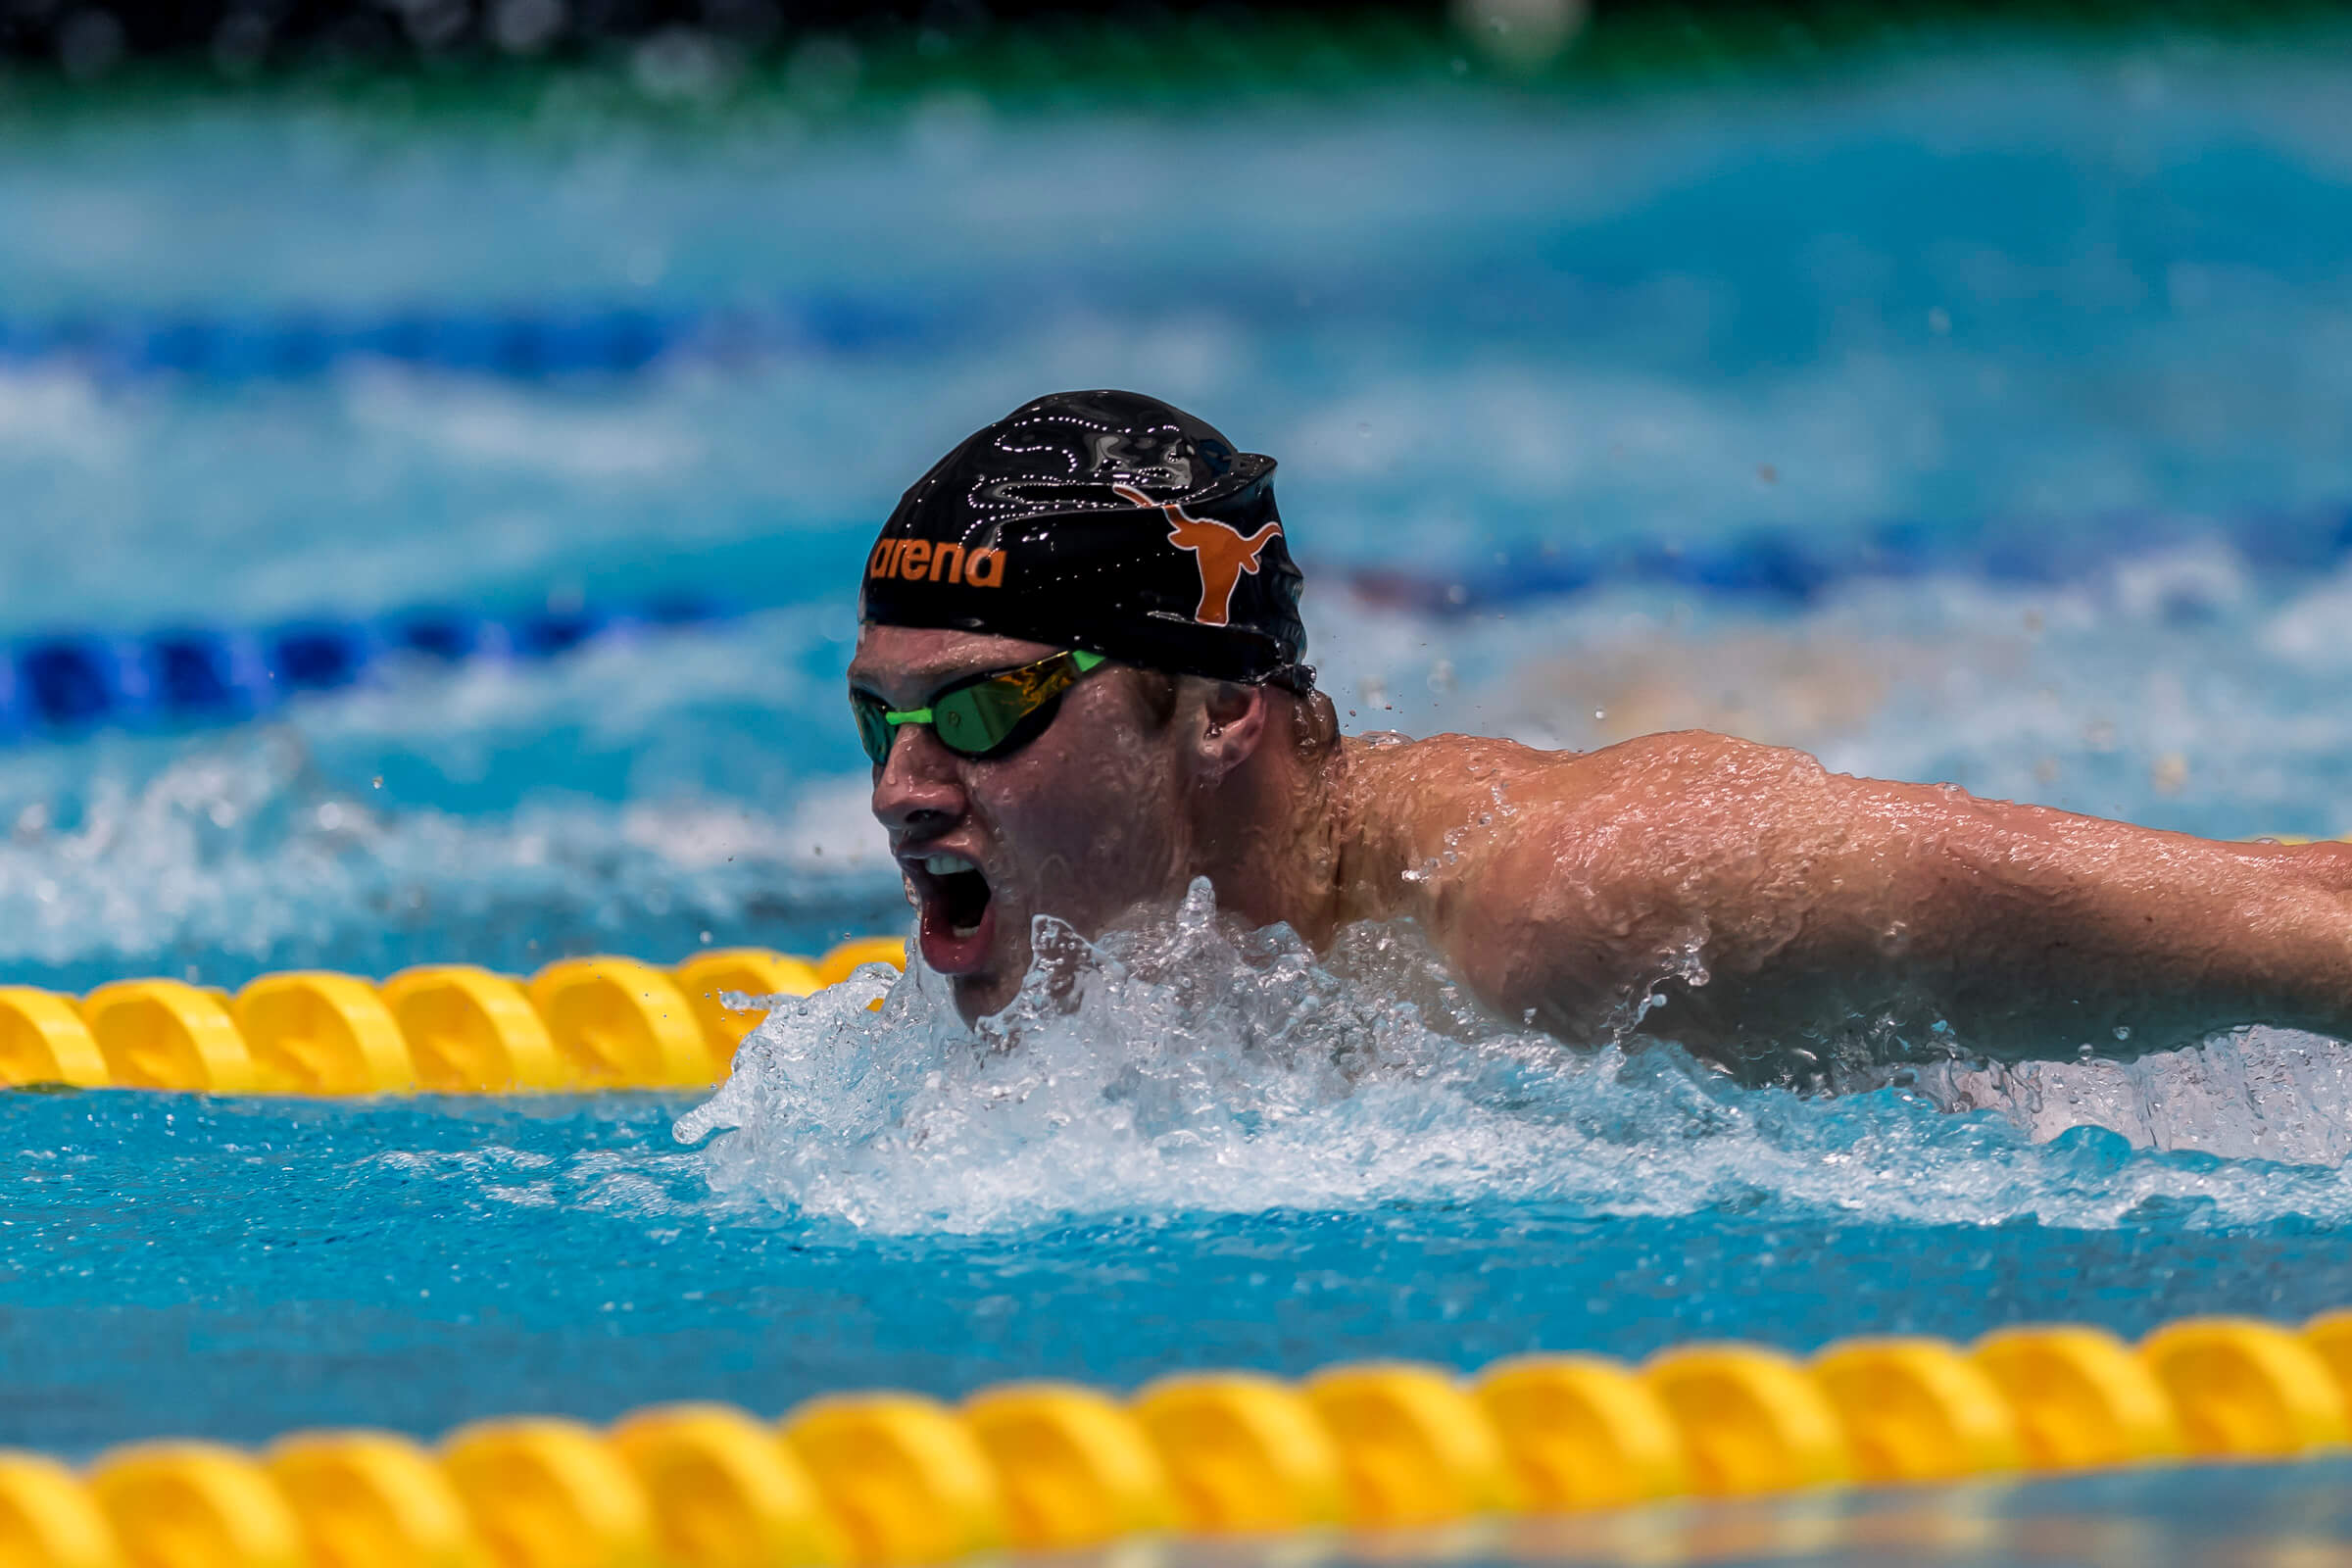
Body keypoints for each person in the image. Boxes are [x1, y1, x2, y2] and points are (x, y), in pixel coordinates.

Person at [848, 389, 2352, 1071]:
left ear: (1225, 710)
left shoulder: (1609, 901)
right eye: (879, 719)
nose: (902, 790)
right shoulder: (1116, 968)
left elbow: (2307, 921)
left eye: (982, 709)